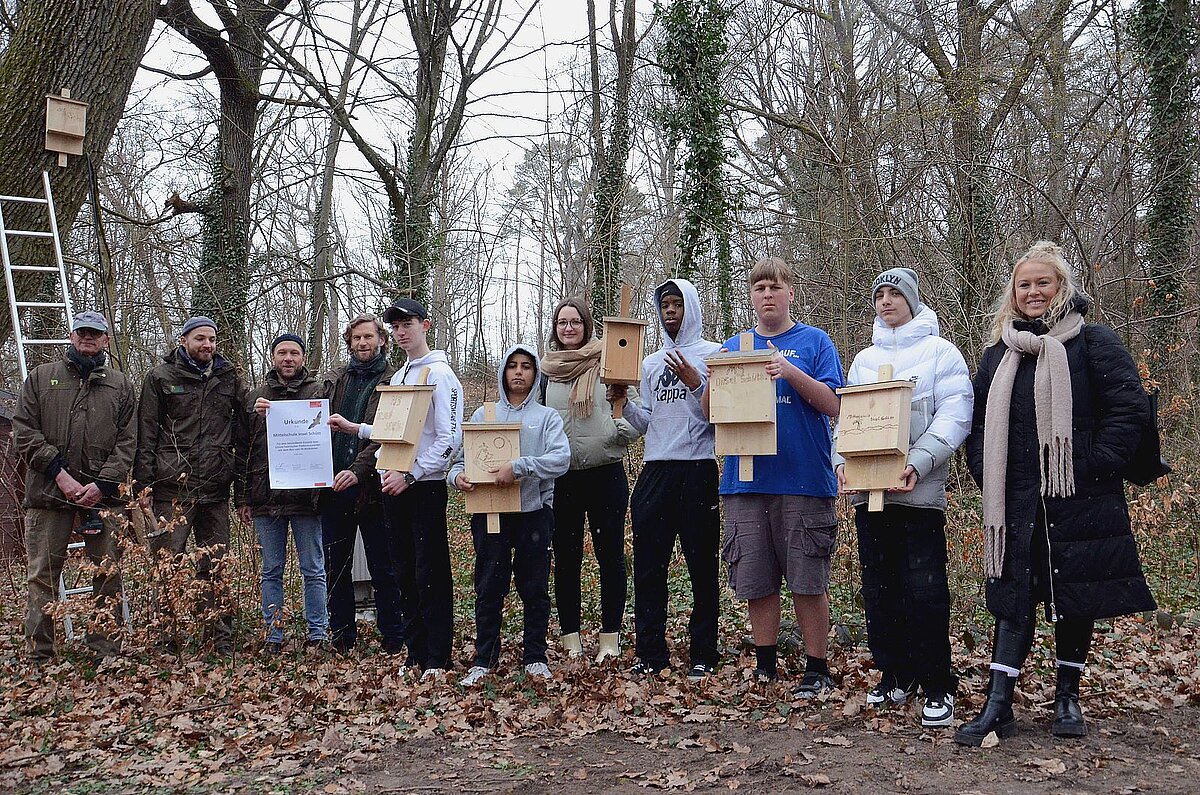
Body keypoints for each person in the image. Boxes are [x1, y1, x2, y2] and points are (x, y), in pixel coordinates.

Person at [954, 241, 1156, 745]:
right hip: (1016, 497)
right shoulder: (999, 355)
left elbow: (1129, 408)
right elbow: (977, 424)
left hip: (1079, 494)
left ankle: (1067, 696)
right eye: (1024, 284)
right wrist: (985, 471)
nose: (1033, 291)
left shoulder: (1093, 343)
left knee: (1075, 594)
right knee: (1011, 595)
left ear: (1061, 286)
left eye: (1043, 282)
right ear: (1013, 293)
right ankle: (999, 704)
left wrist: (1092, 463)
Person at [832, 268, 972, 726]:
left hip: (918, 493)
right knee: (880, 588)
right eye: (880, 295)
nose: (887, 302)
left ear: (913, 301)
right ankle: (894, 674)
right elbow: (849, 417)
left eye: (896, 294)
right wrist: (841, 464)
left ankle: (936, 683)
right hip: (870, 496)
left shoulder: (940, 353)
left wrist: (918, 461)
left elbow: (955, 414)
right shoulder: (864, 359)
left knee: (925, 589)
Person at [706, 257, 844, 696]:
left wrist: (789, 372)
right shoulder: (735, 345)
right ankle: (765, 666)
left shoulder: (815, 341)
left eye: (775, 286)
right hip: (745, 482)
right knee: (755, 578)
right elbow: (710, 413)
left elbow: (835, 404)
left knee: (807, 578)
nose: (767, 294)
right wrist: (712, 378)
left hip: (804, 479)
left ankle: (816, 668)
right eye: (760, 287)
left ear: (790, 293)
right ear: (752, 296)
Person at [329, 298, 463, 678]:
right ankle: (415, 652)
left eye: (408, 324)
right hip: (392, 485)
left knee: (430, 572)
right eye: (396, 326)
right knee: (403, 571)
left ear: (426, 324)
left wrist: (413, 475)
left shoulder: (440, 374)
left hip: (423, 487)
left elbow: (449, 439)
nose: (402, 332)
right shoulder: (401, 377)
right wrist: (356, 429)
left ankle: (438, 656)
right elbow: (393, 433)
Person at [612, 279, 722, 681]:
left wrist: (696, 381)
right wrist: (623, 405)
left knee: (701, 565)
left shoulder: (714, 353)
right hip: (656, 469)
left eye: (677, 304)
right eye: (665, 306)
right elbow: (648, 422)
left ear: (691, 307)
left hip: (697, 468)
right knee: (648, 566)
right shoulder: (650, 362)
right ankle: (650, 652)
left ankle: (704, 653)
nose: (670, 311)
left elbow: (719, 415)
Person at [12, 311, 137, 663]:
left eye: (95, 333)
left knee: (108, 574)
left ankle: (105, 649)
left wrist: (102, 484)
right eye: (82, 332)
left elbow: (129, 441)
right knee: (42, 576)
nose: (87, 338)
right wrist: (59, 473)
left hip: (103, 499)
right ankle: (40, 653)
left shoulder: (120, 385)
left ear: (106, 340)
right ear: (71, 335)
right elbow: (23, 430)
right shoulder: (41, 378)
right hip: (49, 494)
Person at [449, 345, 570, 685]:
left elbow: (561, 459)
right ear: (503, 372)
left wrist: (519, 467)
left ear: (536, 374)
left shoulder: (547, 418)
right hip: (490, 515)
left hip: (533, 513)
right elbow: (458, 463)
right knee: (489, 587)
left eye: (527, 367)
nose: (519, 372)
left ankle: (535, 656)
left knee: (534, 588)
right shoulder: (483, 416)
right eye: (512, 366)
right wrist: (458, 478)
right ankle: (484, 658)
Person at [134, 315, 247, 653]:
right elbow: (146, 432)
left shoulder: (228, 378)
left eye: (212, 339)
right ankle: (165, 638)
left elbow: (244, 430)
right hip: (172, 490)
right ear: (183, 340)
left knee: (216, 566)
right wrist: (144, 483)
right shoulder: (160, 377)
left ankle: (218, 638)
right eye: (200, 339)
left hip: (215, 487)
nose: (207, 345)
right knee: (167, 565)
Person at [541, 297, 641, 663]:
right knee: (565, 559)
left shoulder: (609, 362)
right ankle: (571, 637)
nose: (569, 328)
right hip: (563, 478)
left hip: (605, 473)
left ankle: (610, 637)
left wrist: (621, 431)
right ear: (555, 328)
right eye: (562, 322)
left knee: (610, 555)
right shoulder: (546, 372)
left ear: (587, 326)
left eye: (575, 322)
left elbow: (637, 415)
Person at [317, 314, 403, 655]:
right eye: (356, 338)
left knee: (384, 564)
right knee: (335, 565)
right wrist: (270, 408)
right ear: (349, 342)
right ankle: (341, 636)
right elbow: (306, 415)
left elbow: (388, 435)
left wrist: (358, 470)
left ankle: (394, 636)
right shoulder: (335, 379)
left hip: (375, 488)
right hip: (334, 489)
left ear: (382, 340)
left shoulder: (393, 381)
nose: (362, 343)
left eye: (369, 337)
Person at [238, 333, 330, 654]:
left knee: (314, 570)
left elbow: (329, 446)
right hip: (267, 500)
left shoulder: (320, 393)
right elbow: (243, 452)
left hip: (308, 499)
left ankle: (318, 634)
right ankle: (274, 636)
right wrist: (243, 498)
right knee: (271, 571)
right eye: (282, 353)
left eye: (294, 353)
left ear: (303, 358)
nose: (288, 358)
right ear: (273, 357)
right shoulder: (256, 398)